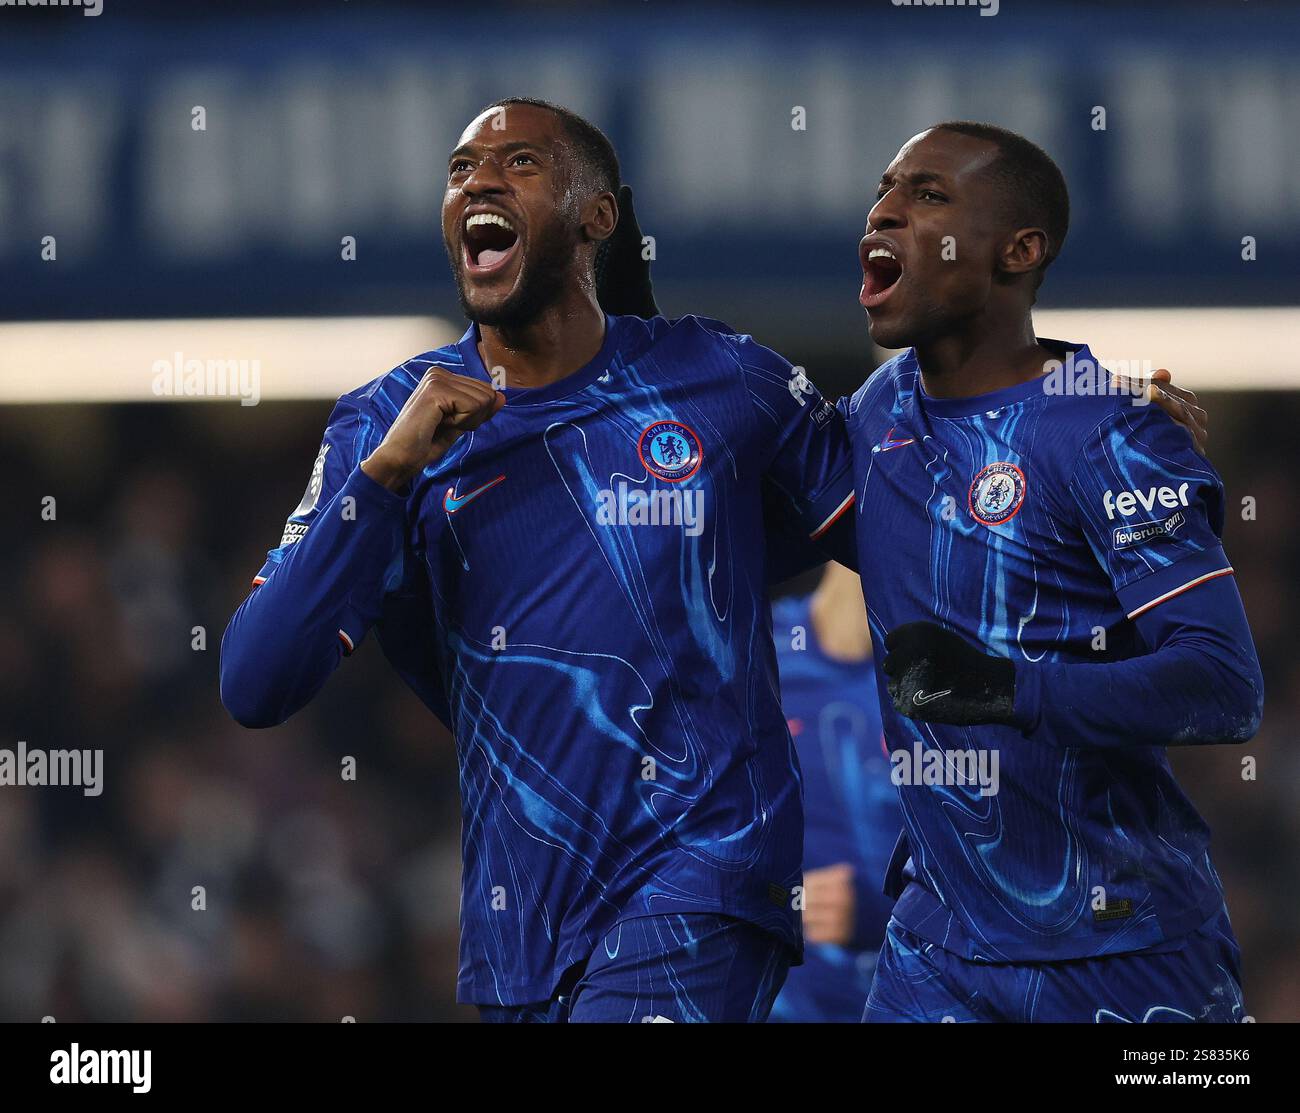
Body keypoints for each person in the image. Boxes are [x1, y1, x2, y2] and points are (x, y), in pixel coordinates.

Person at [220, 98, 858, 1022]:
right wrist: (389, 472)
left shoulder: (724, 379)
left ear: (596, 218)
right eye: (460, 170)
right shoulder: (386, 421)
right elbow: (254, 680)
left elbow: (897, 524)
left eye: (517, 162)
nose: (476, 179)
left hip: (702, 880)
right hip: (519, 929)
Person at [842, 122, 1262, 1022]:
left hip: (1125, 945)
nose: (883, 211)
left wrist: (1009, 691)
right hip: (936, 951)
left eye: (928, 195)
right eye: (885, 188)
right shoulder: (874, 415)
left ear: (1019, 250)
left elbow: (1226, 685)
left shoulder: (1107, 431)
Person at [768, 562, 902, 1023]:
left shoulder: (963, 675)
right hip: (776, 1003)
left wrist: (879, 912)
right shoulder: (753, 656)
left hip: (915, 1000)